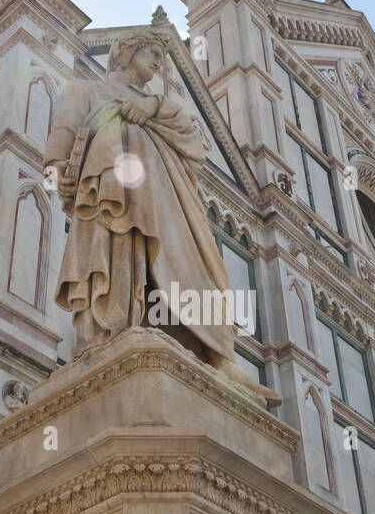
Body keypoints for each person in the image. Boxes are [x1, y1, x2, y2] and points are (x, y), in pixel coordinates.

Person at [44, 31, 273, 404]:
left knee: (205, 274)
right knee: (118, 257)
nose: (157, 63)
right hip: (110, 194)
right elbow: (63, 135)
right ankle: (115, 333)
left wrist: (153, 110)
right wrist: (56, 170)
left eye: (160, 57)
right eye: (151, 53)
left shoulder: (162, 106)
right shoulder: (85, 89)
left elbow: (193, 146)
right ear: (125, 52)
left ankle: (216, 356)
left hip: (168, 209)